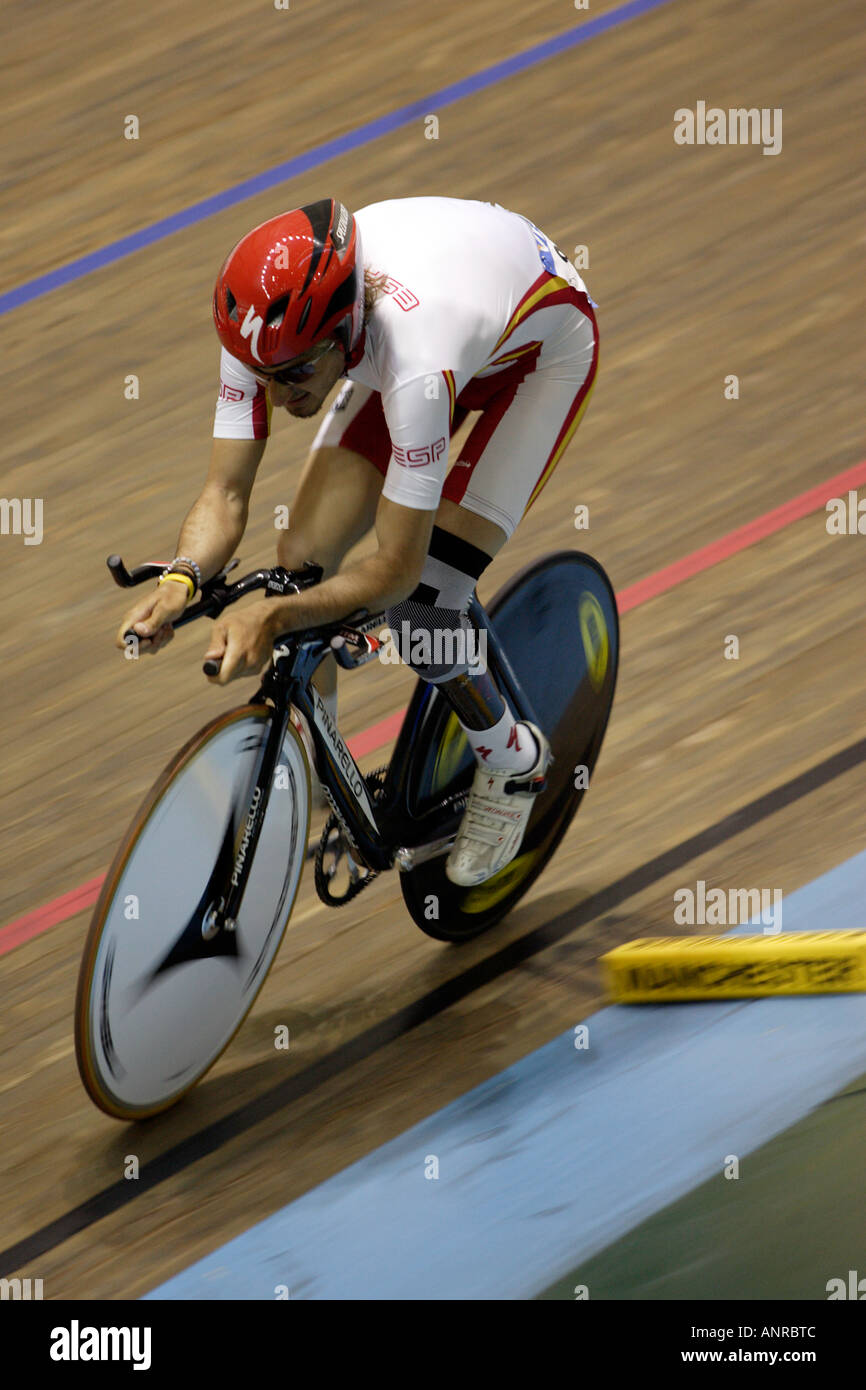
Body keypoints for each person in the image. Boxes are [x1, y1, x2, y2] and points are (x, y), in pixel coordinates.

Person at [116, 196, 598, 886]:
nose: (281, 398)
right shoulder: (267, 339)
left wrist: (273, 619)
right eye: (266, 379)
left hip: (539, 354)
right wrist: (181, 581)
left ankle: (512, 758)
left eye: (297, 377)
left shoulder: (415, 360)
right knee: (298, 563)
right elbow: (225, 495)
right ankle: (318, 761)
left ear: (343, 329)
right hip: (438, 327)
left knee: (425, 608)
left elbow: (397, 570)